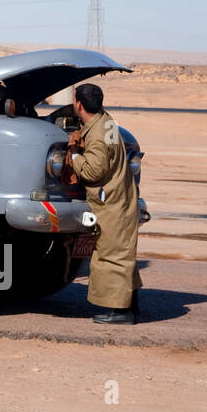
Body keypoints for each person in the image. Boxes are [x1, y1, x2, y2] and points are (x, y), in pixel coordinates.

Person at [67, 83, 142, 324]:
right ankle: (130, 306)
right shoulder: (106, 121)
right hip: (120, 199)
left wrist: (75, 155)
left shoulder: (98, 135)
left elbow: (92, 172)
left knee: (111, 256)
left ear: (79, 104)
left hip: (111, 203)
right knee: (122, 254)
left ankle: (121, 313)